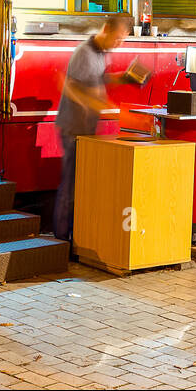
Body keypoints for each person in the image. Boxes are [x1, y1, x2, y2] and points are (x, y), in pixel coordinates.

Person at [53, 14, 136, 243]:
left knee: (80, 185)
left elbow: (97, 79)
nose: (118, 44)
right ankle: (61, 240)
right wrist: (103, 105)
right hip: (73, 128)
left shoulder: (99, 53)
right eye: (117, 38)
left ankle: (75, 237)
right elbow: (71, 86)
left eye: (123, 41)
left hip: (86, 129)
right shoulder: (85, 52)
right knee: (70, 186)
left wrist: (124, 78)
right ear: (106, 29)